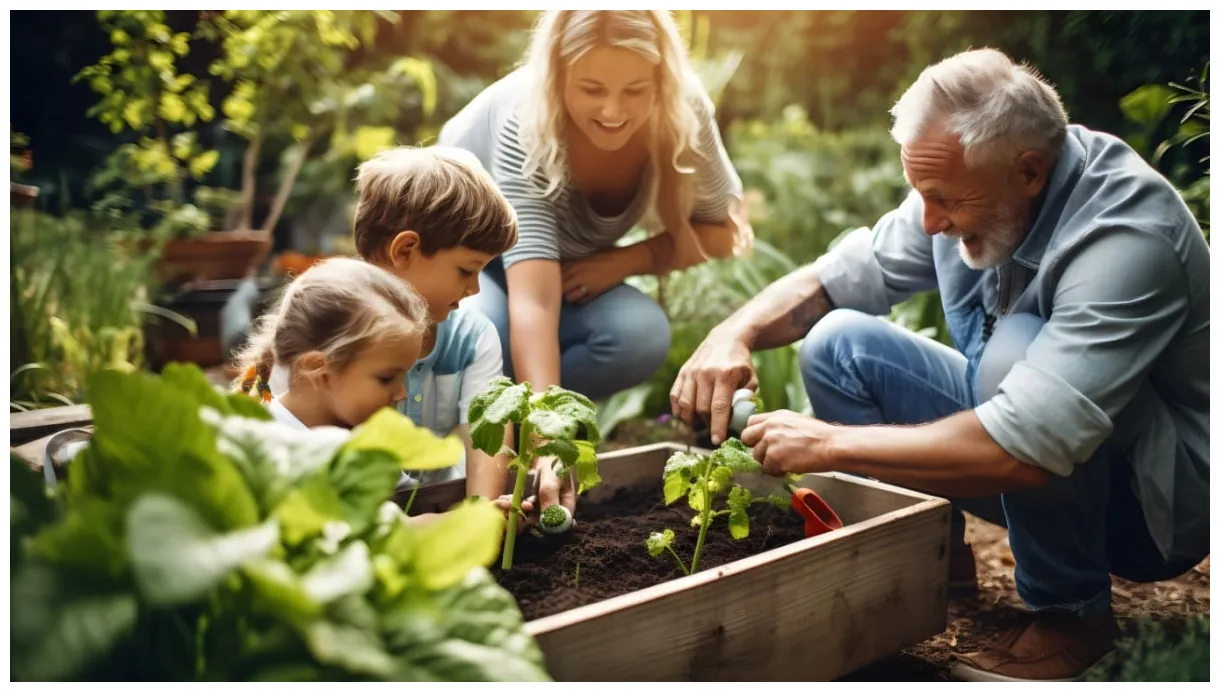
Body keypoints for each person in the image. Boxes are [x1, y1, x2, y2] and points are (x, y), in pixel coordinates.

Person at [671, 48, 1209, 682]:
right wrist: (730, 335)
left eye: (943, 199)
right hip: (1028, 447)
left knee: (1014, 351)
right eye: (921, 195)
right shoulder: (977, 181)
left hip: (1150, 508)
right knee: (839, 343)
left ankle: (1071, 617)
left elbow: (1027, 445)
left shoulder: (1125, 237)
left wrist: (828, 443)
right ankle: (930, 556)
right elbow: (830, 284)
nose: (928, 223)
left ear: (1029, 172)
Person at [438, 9, 753, 404]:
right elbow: (534, 301)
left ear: (660, 81)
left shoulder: (682, 110)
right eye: (592, 90)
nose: (613, 112)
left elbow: (727, 233)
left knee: (639, 333)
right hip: (470, 262)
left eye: (635, 91)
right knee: (483, 337)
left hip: (559, 272)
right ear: (558, 78)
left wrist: (628, 260)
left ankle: (518, 422)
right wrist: (544, 421)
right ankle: (494, 426)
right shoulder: (524, 121)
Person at [265, 147, 545, 523]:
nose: (475, 289)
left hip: (435, 507)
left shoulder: (472, 337)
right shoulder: (323, 331)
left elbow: (486, 435)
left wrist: (479, 522)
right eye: (466, 270)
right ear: (406, 249)